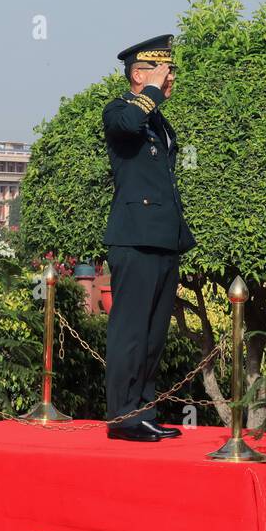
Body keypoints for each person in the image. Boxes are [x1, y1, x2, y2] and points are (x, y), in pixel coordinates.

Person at [101, 34, 196, 442]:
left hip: (161, 237)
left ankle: (143, 410)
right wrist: (152, 92)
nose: (170, 78)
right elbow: (127, 124)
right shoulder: (120, 111)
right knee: (131, 330)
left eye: (170, 71)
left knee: (154, 332)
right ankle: (122, 417)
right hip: (135, 237)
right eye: (162, 71)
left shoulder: (158, 120)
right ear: (139, 75)